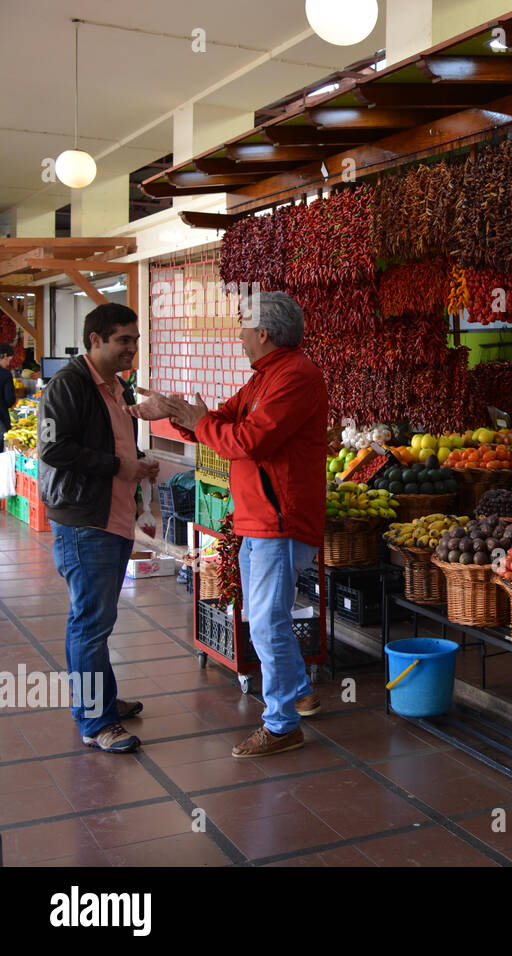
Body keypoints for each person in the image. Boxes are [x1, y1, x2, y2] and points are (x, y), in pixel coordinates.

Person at [133, 291, 327, 758]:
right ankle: (297, 690)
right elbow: (219, 422)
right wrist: (177, 413)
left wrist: (197, 421)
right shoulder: (265, 378)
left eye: (243, 328)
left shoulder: (295, 376)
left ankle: (281, 725)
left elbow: (248, 441)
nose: (238, 337)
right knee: (268, 619)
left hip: (278, 522)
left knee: (265, 623)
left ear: (264, 333)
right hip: (259, 519)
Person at [38, 303, 159, 754]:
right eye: (123, 340)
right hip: (85, 520)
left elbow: (115, 438)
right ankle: (96, 721)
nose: (133, 348)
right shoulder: (67, 386)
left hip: (113, 515)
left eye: (135, 339)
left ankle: (101, 700)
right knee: (90, 622)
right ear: (95, 340)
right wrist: (118, 466)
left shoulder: (114, 385)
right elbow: (52, 449)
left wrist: (137, 466)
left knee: (98, 620)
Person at [0, 345, 15, 451]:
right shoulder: (5, 374)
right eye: (9, 360)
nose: (8, 364)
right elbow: (9, 400)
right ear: (4, 355)